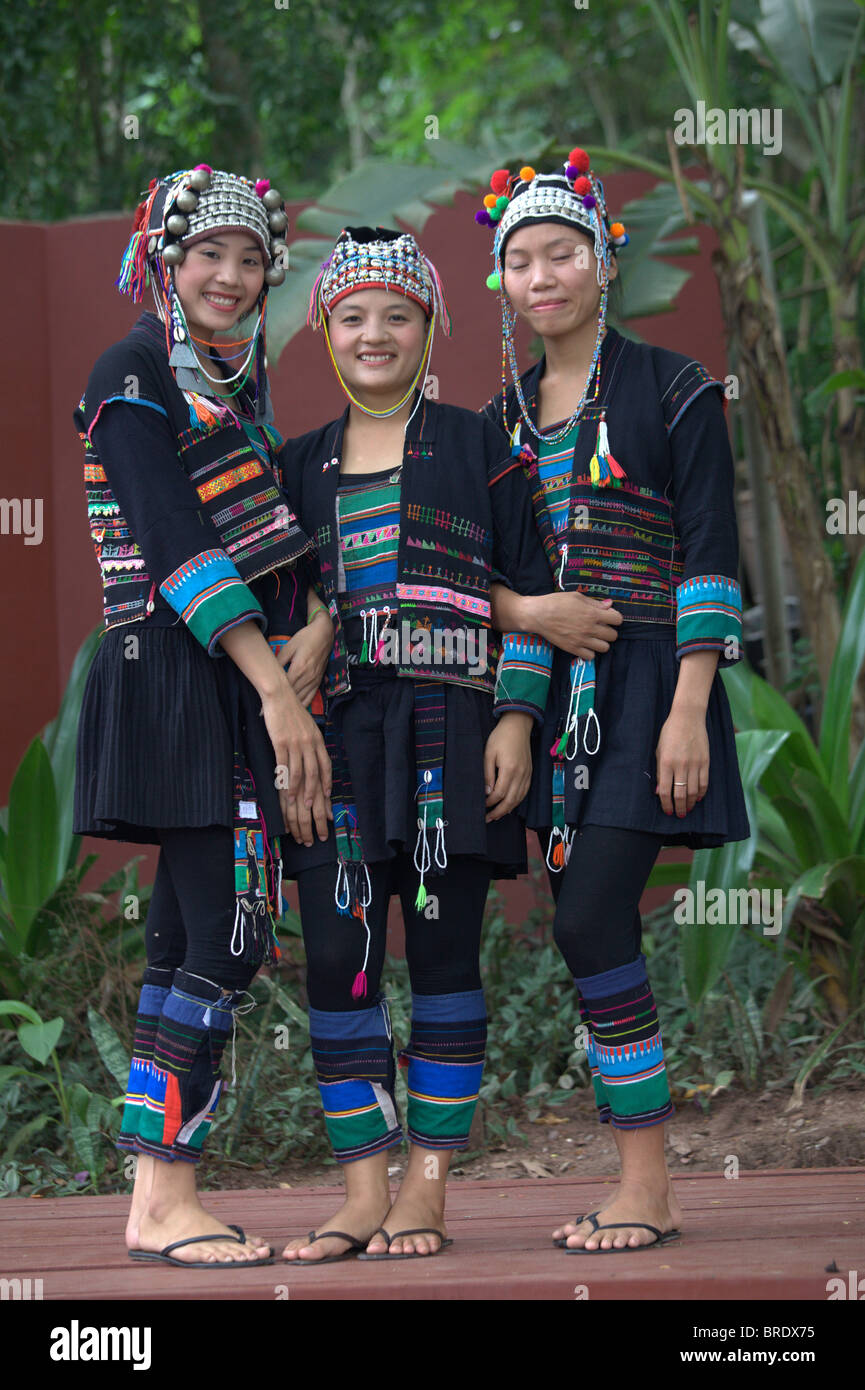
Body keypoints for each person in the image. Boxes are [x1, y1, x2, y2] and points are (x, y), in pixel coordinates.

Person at [476, 148, 750, 1252]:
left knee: (591, 912)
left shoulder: (673, 387)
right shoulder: (501, 421)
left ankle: (647, 1180)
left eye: (562, 252)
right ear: (502, 282)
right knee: (578, 921)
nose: (543, 275)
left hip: (651, 686)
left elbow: (711, 553)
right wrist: (510, 706)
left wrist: (689, 704)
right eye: (521, 260)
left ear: (602, 260)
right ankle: (640, 1172)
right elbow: (502, 578)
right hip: (557, 704)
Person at [73, 165, 334, 1267]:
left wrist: (314, 625)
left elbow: (274, 550)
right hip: (176, 678)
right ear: (164, 260)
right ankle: (170, 1194)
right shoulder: (132, 374)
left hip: (220, 678)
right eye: (208, 255)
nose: (230, 276)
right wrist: (279, 693)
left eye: (250, 259)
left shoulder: (230, 393)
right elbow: (178, 548)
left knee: (188, 937)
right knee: (230, 930)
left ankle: (153, 1197)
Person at [279, 226, 556, 1262]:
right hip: (336, 747)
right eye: (352, 316)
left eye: (396, 314)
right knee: (340, 967)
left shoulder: (478, 443)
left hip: (452, 733)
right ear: (324, 330)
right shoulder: (296, 464)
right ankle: (361, 1190)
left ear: (429, 325)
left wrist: (520, 717)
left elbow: (524, 588)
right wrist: (312, 624)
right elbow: (279, 608)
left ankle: (428, 1186)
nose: (374, 333)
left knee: (443, 962)